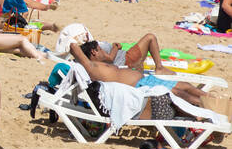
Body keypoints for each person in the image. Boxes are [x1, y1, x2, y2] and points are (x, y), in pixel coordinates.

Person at [69, 39, 208, 110]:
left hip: (145, 82)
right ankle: (211, 107)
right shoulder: (91, 66)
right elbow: (73, 47)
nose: (103, 52)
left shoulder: (102, 64)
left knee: (185, 86)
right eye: (100, 50)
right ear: (93, 52)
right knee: (179, 92)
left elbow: (110, 59)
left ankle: (213, 99)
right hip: (140, 88)